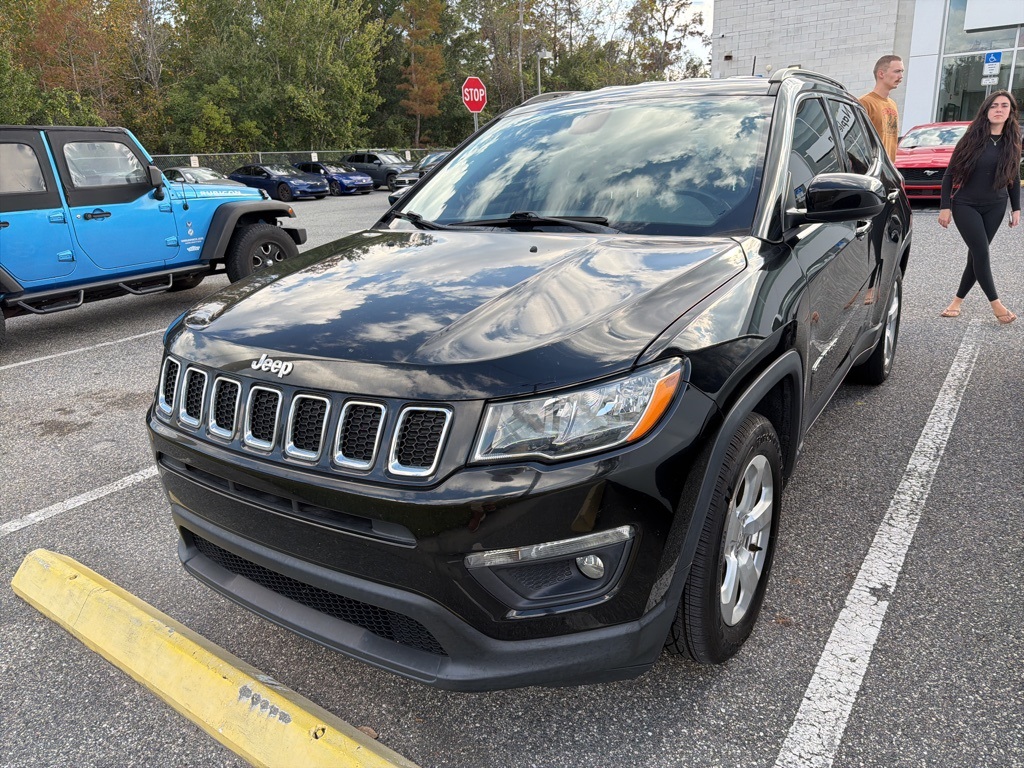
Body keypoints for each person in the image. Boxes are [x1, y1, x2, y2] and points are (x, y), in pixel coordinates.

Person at [938, 90, 1021, 324]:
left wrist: (1016, 208)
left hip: (996, 206)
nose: (999, 109)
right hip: (966, 205)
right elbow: (949, 175)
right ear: (986, 110)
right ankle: (997, 305)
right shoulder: (971, 138)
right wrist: (945, 207)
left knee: (975, 256)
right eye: (994, 105)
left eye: (1004, 106)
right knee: (982, 253)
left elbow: (1012, 177)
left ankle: (957, 301)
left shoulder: (1012, 142)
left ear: (1010, 112)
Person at [859, 55, 905, 161]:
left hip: (888, 171)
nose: (901, 76)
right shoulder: (865, 102)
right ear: (881, 74)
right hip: (871, 169)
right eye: (897, 71)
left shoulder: (893, 104)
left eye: (902, 71)